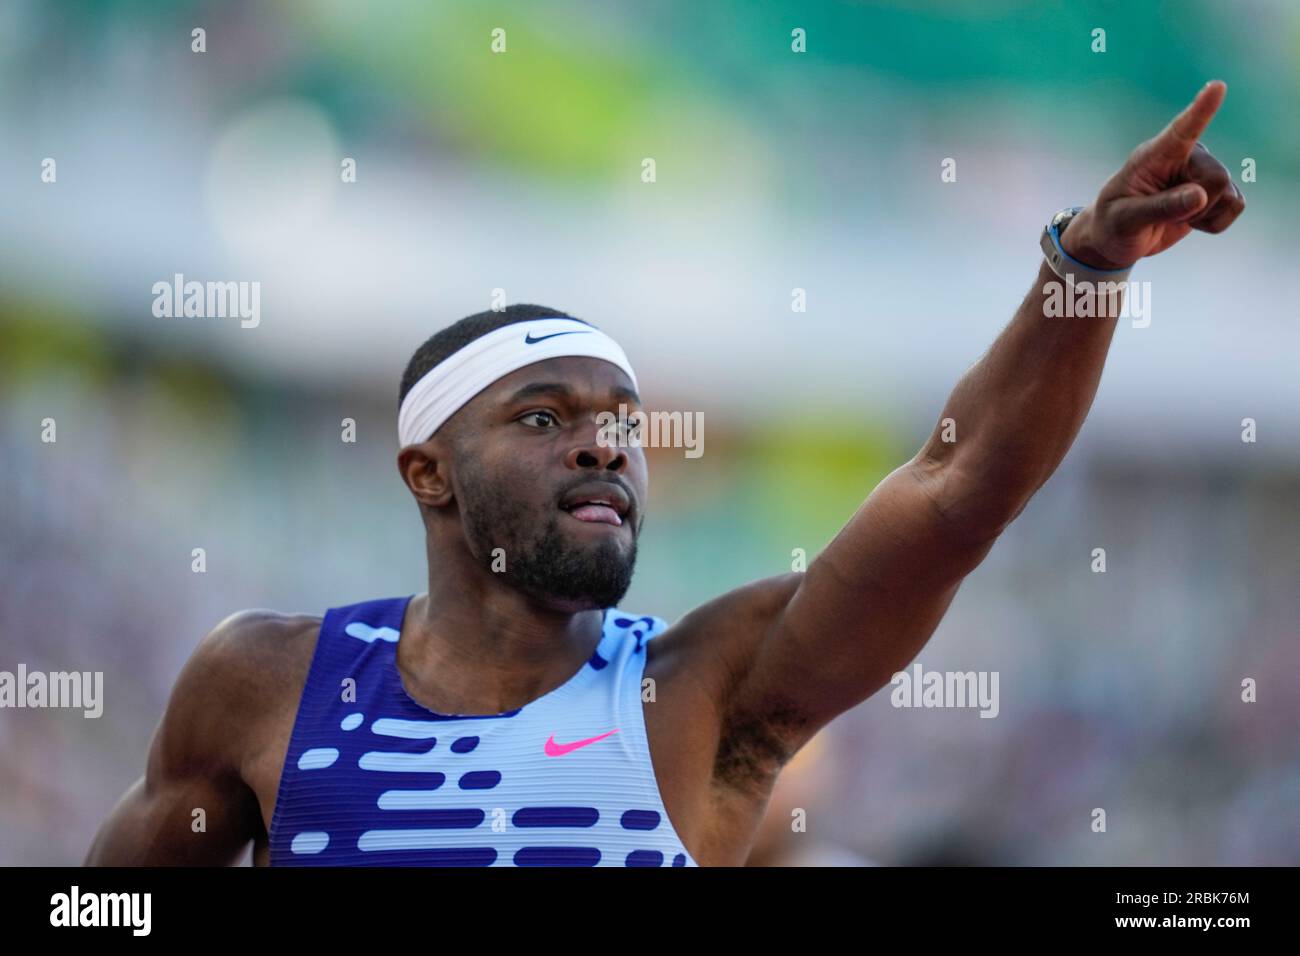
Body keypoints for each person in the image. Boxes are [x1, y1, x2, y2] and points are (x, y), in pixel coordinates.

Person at [85, 82, 1244, 867]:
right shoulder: (261, 683)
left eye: (621, 421)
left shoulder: (703, 696)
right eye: (544, 417)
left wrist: (1083, 268)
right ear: (427, 473)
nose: (604, 444)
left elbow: (958, 493)